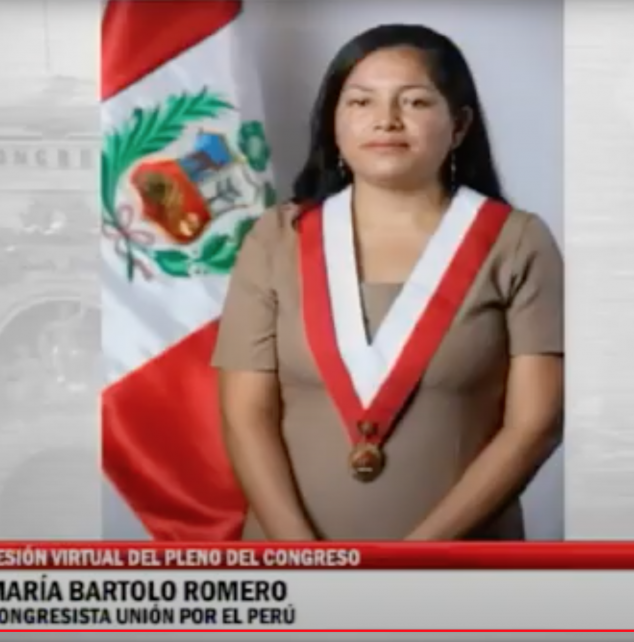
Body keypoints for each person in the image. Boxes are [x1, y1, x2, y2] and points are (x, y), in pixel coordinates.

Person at [212, 24, 564, 541]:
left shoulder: (518, 241)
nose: (385, 120)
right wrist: (302, 556)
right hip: (290, 566)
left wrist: (416, 559)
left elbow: (535, 426)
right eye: (359, 102)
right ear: (334, 123)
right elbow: (245, 415)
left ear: (459, 124)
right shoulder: (276, 238)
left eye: (416, 101)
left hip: (459, 570)